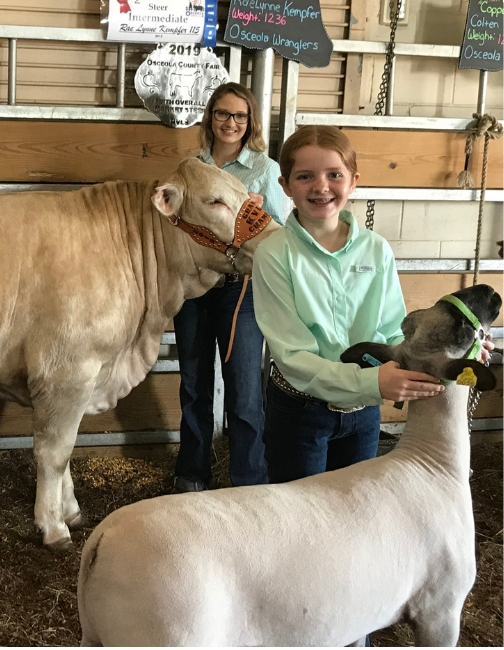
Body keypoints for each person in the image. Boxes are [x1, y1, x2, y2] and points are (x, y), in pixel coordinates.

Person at [251, 125, 490, 483]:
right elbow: (293, 357)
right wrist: (373, 382)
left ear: (353, 181)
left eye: (334, 174)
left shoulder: (376, 249)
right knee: (301, 517)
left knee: (358, 511)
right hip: (302, 410)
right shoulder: (274, 254)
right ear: (285, 185)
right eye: (305, 176)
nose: (321, 186)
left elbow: (395, 331)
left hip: (364, 412)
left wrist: (459, 355)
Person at [171, 82, 288, 493]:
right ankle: (192, 473)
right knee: (193, 382)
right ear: (210, 118)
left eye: (240, 116)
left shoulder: (265, 170)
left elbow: (281, 230)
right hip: (194, 285)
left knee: (243, 387)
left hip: (241, 287)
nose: (230, 123)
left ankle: (249, 480)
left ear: (250, 121)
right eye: (222, 113)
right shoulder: (191, 167)